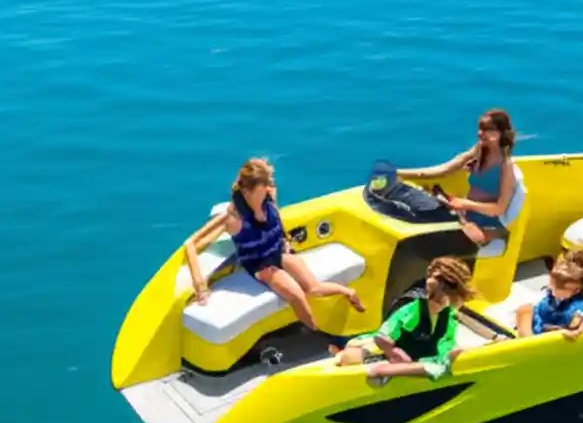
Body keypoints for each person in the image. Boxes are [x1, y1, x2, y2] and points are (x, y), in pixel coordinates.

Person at [183, 158, 363, 330]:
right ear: (247, 192)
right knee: (297, 295)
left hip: (278, 252)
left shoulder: (268, 196)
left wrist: (284, 240)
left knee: (313, 288)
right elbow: (191, 244)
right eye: (261, 190)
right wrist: (200, 286)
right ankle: (318, 333)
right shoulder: (232, 218)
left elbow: (276, 218)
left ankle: (348, 293)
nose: (267, 192)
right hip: (262, 266)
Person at [335, 256, 476, 385]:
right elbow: (383, 337)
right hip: (382, 356)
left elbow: (446, 342)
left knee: (443, 361)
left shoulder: (447, 314)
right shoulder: (412, 309)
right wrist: (394, 353)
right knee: (437, 367)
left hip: (415, 356)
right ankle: (382, 369)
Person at [396, 109, 527, 245]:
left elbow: (500, 208)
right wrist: (398, 173)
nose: (480, 133)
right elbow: (444, 170)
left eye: (486, 129)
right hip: (465, 214)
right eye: (480, 129)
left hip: (485, 222)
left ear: (499, 133)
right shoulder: (480, 149)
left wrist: (466, 204)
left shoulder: (506, 167)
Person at [516, 247, 583, 341]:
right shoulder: (551, 297)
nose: (552, 289)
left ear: (575, 290)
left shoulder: (578, 307)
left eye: (559, 288)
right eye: (552, 284)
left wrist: (571, 329)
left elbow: (579, 322)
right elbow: (529, 310)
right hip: (534, 330)